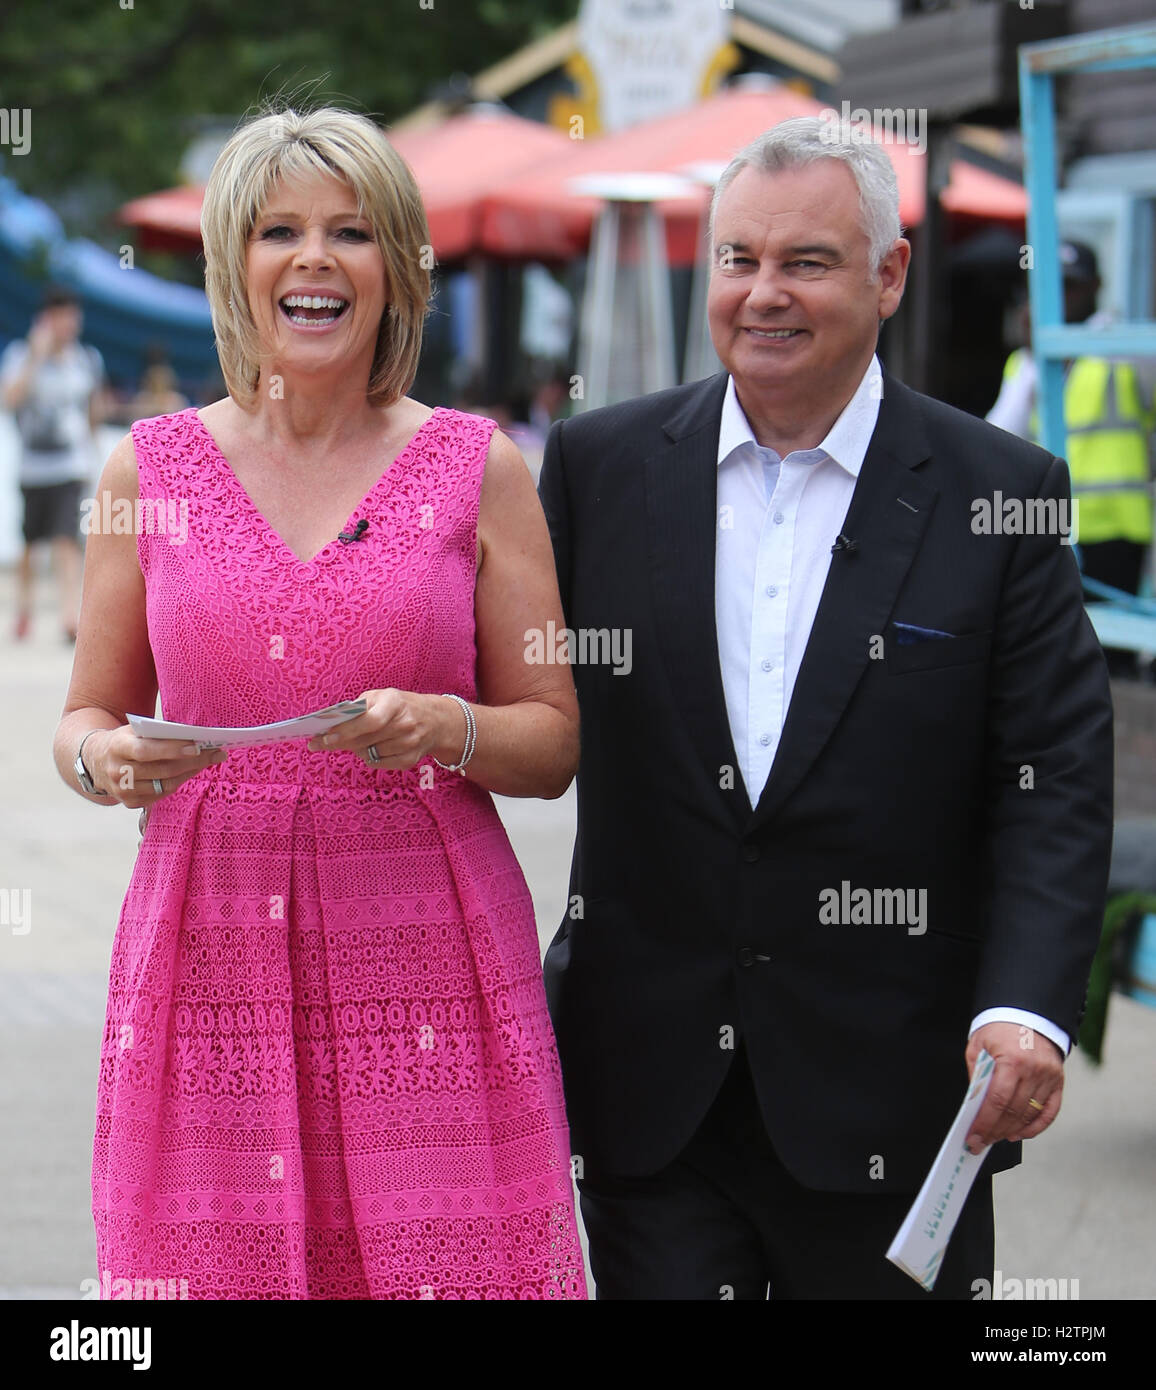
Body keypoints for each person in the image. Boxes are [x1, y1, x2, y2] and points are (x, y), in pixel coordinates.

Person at [538, 117, 1113, 1300]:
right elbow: (500, 692)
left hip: (898, 1103)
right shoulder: (597, 470)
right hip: (650, 1099)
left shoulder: (998, 495)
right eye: (738, 260)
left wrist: (1028, 1010)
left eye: (805, 262)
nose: (763, 294)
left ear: (887, 274)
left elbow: (1051, 770)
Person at [52, 105, 585, 1300]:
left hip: (429, 954)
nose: (314, 259)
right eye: (279, 231)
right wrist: (104, 763)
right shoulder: (149, 469)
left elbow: (550, 740)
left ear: (397, 269)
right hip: (210, 949)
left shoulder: (478, 465)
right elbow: (84, 717)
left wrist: (443, 728)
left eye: (351, 233)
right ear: (233, 266)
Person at [987, 241, 1155, 675]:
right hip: (1049, 527)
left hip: (1114, 528)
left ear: (1097, 288)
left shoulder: (1124, 350)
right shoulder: (1026, 363)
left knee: (1107, 660)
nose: (1059, 298)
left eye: (1072, 287)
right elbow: (997, 439)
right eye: (1049, 288)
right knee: (1051, 657)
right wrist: (1029, 359)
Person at [0, 286, 107, 642]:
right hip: (33, 468)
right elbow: (10, 399)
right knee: (30, 544)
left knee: (65, 538)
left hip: (70, 466)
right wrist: (36, 356)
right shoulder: (20, 355)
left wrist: (95, 455)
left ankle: (67, 616)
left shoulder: (85, 360)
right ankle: (25, 607)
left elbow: (93, 410)